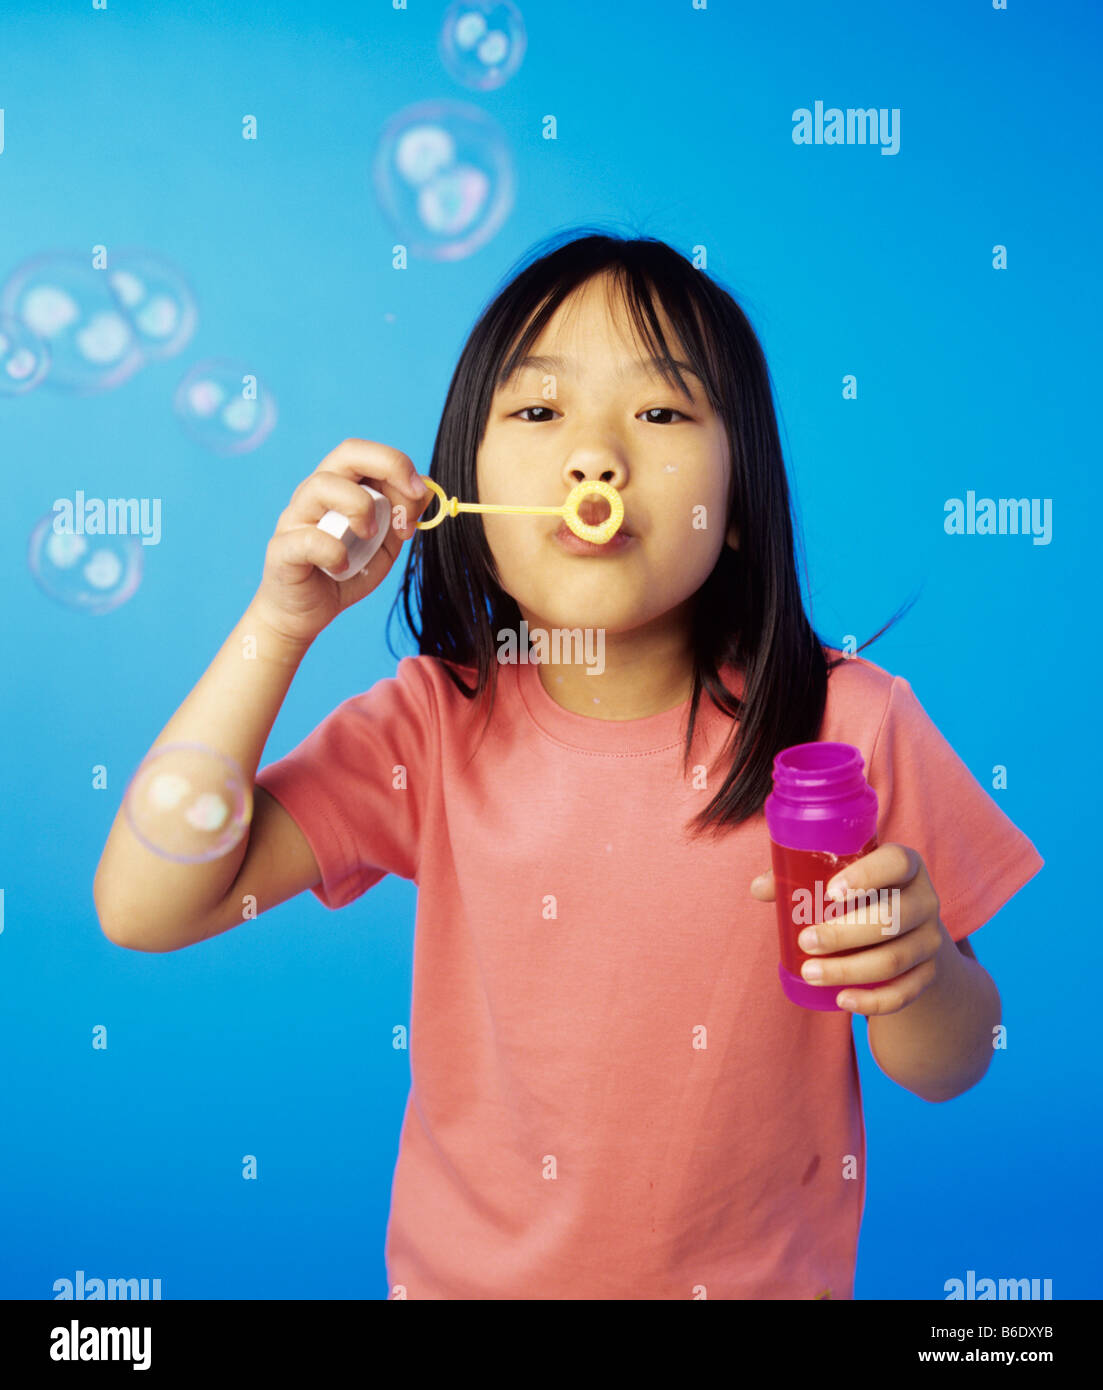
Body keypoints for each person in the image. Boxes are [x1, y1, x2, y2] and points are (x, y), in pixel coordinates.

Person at [94, 230, 1044, 1300]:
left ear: (738, 507)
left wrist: (918, 974)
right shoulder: (428, 728)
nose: (594, 456)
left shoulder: (845, 726)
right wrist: (282, 622)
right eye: (539, 413)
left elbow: (951, 1063)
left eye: (661, 412)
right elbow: (148, 906)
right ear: (460, 491)